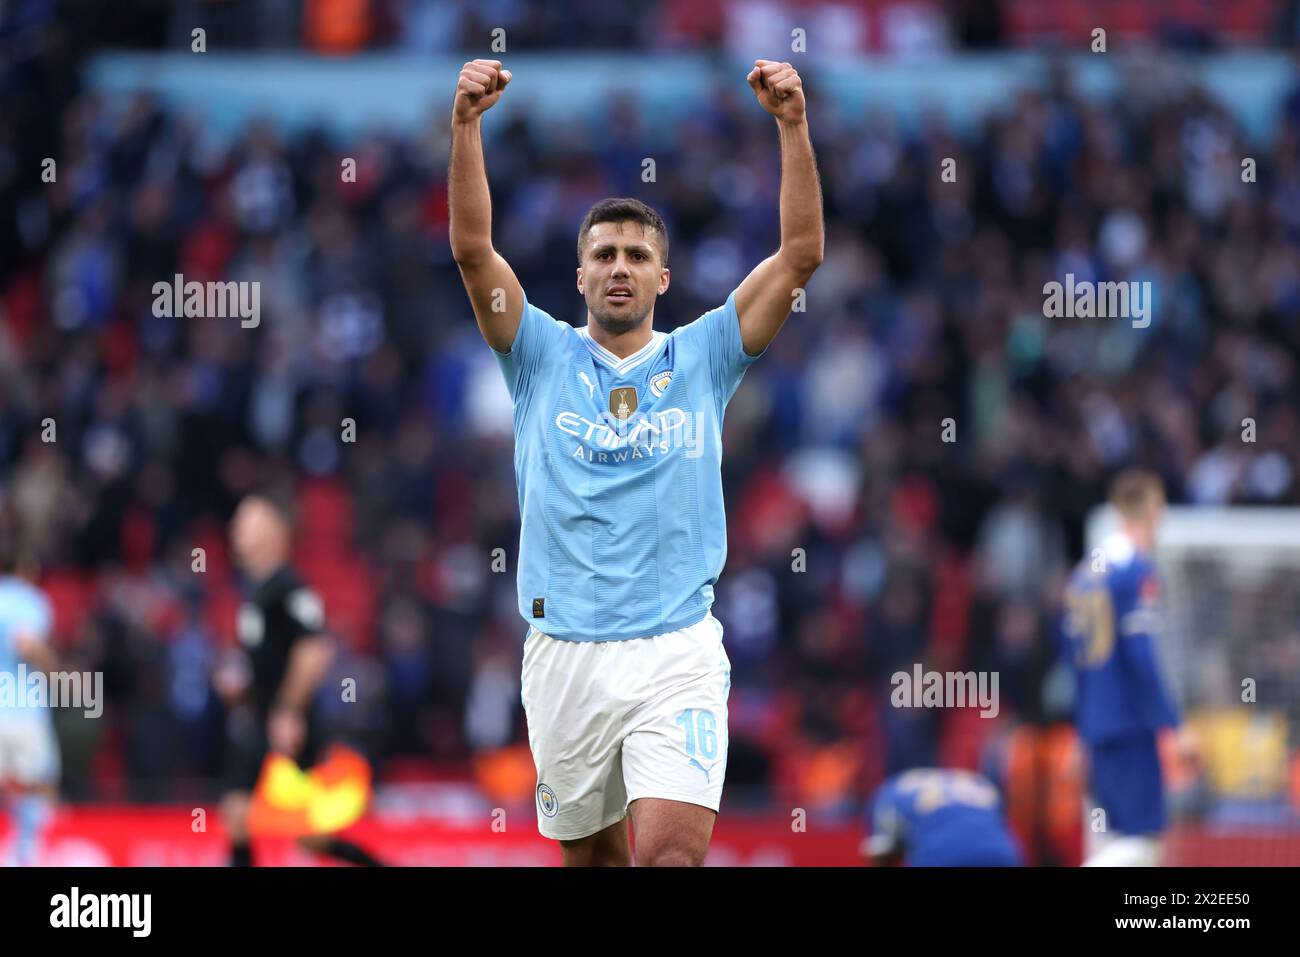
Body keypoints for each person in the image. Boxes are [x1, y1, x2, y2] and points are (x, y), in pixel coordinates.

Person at [448, 58, 824, 865]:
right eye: (605, 254)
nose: (619, 266)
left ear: (663, 274)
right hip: (565, 656)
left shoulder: (706, 354)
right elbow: (474, 252)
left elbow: (799, 255)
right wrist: (466, 126)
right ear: (580, 273)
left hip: (675, 651)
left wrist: (792, 125)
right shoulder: (538, 354)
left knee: (669, 857)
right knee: (594, 862)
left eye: (635, 255)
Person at [217, 493, 383, 867]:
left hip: (289, 723)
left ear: (277, 532)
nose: (237, 529)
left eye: (250, 521)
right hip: (261, 718)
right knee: (237, 812)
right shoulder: (255, 592)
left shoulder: (290, 588)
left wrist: (288, 710)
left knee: (311, 834)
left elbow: (315, 649)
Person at [1062, 469, 1196, 866]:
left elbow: (1073, 660)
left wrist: (1080, 730)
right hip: (1129, 726)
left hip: (1098, 729)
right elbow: (1141, 657)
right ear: (1153, 511)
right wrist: (1175, 724)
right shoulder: (1135, 571)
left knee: (1117, 838)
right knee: (1145, 840)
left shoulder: (1084, 573)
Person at [0, 534, 60, 867]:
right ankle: (28, 855)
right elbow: (27, 643)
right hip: (23, 715)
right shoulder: (30, 600)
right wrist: (54, 668)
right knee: (39, 788)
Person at [861, 768, 1024, 867]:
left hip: (941, 856)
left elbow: (883, 855)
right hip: (1004, 855)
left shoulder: (888, 793)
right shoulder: (977, 782)